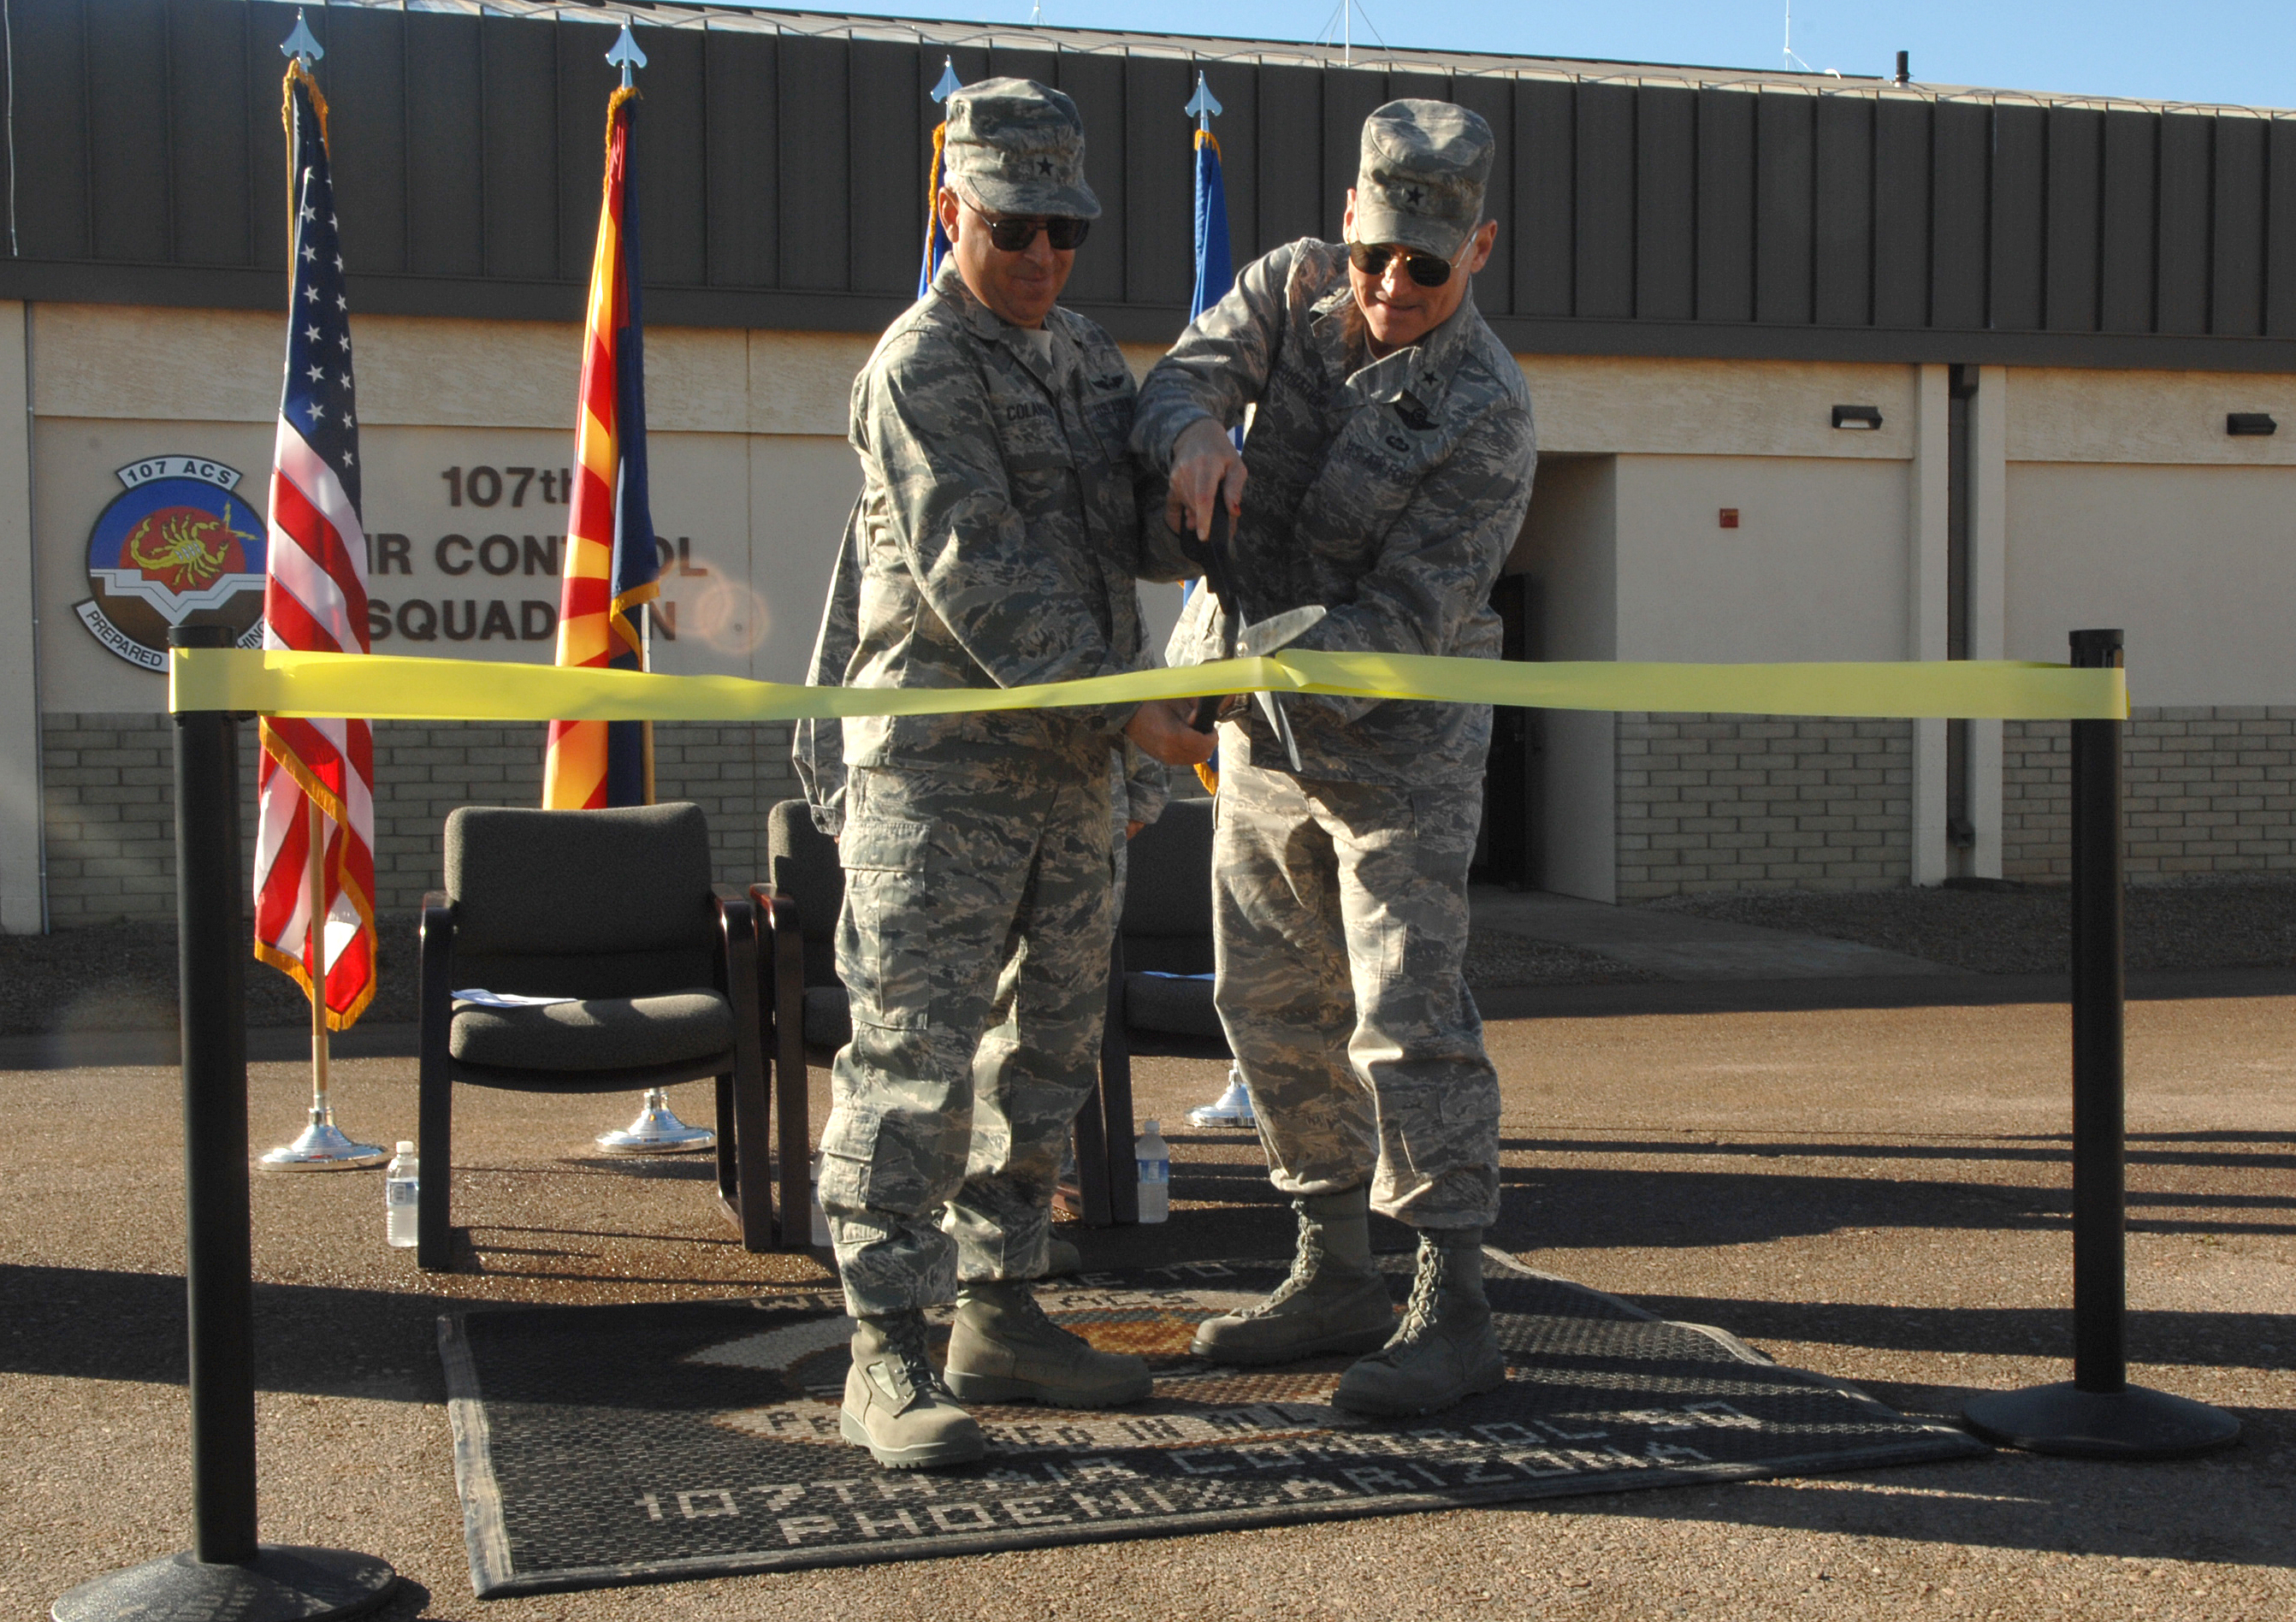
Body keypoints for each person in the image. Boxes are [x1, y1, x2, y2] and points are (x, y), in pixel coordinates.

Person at [802, 78, 1210, 1471]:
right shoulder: (918, 366)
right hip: (943, 779)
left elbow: (1131, 534)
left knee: (1044, 1054)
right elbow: (977, 568)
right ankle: (885, 1352)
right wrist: (1132, 713)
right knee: (912, 1060)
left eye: (1065, 230)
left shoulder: (1085, 356)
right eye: (1013, 226)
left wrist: (1202, 480)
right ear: (951, 211)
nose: (1042, 255)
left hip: (1074, 778)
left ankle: (1000, 1310)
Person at [1129, 99, 1537, 1418]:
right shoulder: (1293, 285)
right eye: (1376, 253)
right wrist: (1196, 430)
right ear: (1348, 222)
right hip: (1261, 736)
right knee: (1268, 999)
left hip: (1397, 747)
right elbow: (1179, 378)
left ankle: (1452, 1304)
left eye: (1428, 264)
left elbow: (1407, 621)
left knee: (1407, 1015)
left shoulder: (1487, 412)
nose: (1392, 285)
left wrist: (1239, 669)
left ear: (1480, 249)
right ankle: (1332, 1270)